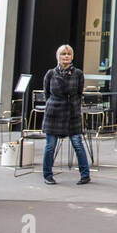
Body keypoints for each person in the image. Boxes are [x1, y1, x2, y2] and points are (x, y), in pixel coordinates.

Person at [42, 44, 90, 186]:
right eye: (63, 54)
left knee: (77, 143)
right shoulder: (51, 73)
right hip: (54, 112)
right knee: (50, 145)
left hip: (72, 112)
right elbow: (47, 94)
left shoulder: (78, 74)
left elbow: (79, 93)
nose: (66, 56)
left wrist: (74, 105)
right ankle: (47, 175)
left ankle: (85, 175)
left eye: (68, 54)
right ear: (58, 56)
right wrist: (54, 104)